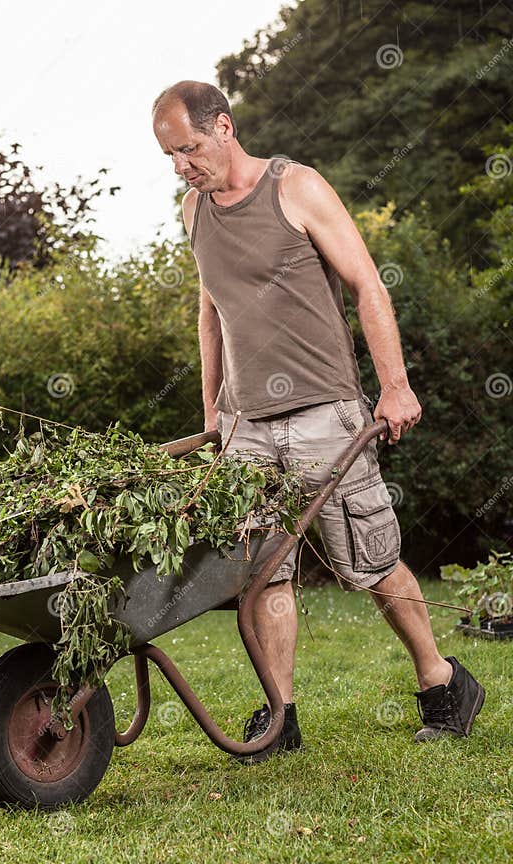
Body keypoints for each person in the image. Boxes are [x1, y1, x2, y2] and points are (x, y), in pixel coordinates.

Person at [151, 80, 485, 759]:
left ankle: (442, 682)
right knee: (264, 571)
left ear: (223, 126)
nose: (182, 167)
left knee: (370, 559)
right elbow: (209, 313)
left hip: (324, 413)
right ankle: (281, 718)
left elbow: (367, 283)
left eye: (187, 149)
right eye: (169, 156)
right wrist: (214, 412)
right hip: (247, 426)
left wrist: (395, 385)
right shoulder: (194, 212)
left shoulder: (295, 188)